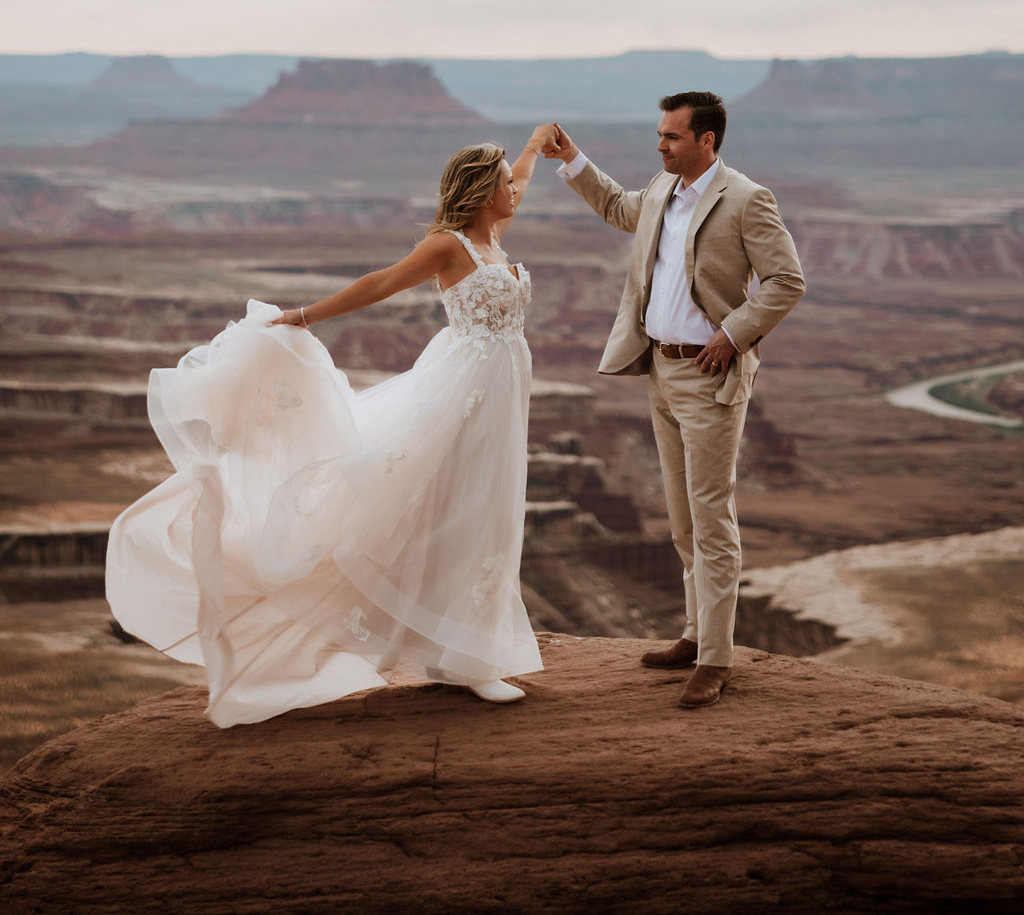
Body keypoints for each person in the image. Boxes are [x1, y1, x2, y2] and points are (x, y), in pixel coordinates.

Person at [106, 134, 556, 727]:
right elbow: (380, 283)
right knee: (460, 508)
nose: (514, 191)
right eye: (503, 184)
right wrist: (303, 315)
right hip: (465, 391)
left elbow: (521, 178)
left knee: (484, 508)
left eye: (511, 182)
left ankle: (455, 649)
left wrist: (534, 146)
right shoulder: (450, 245)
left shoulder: (492, 237)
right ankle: (471, 660)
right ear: (479, 192)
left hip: (499, 392)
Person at [537, 93, 805, 708]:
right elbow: (616, 205)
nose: (661, 145)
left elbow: (787, 280)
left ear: (707, 140)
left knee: (711, 518)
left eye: (672, 137)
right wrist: (572, 157)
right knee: (682, 520)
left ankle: (716, 659)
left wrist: (733, 333)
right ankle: (693, 633)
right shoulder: (664, 188)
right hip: (659, 368)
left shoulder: (746, 199)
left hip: (710, 375)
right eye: (660, 135)